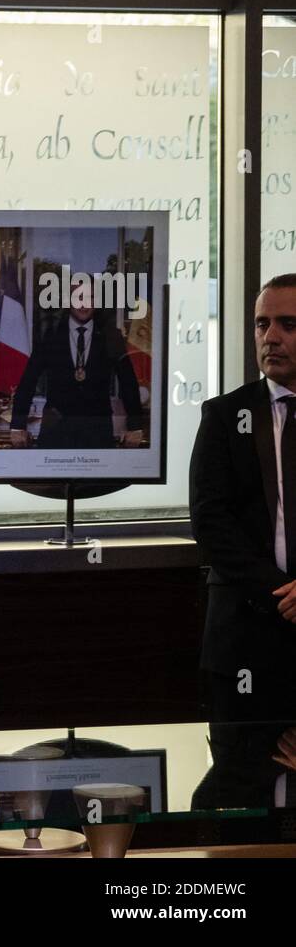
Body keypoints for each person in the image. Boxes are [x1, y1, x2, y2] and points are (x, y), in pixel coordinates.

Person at [190, 273, 296, 803]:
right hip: (245, 648)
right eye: (261, 324)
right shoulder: (224, 415)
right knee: (235, 805)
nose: (270, 337)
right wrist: (283, 593)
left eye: (287, 324)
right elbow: (210, 524)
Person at [8, 277, 145, 449]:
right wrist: (18, 424)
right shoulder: (50, 335)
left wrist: (135, 426)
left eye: (89, 297)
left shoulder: (111, 336)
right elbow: (29, 380)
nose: (83, 304)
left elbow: (128, 382)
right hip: (56, 433)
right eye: (78, 297)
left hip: (98, 434)